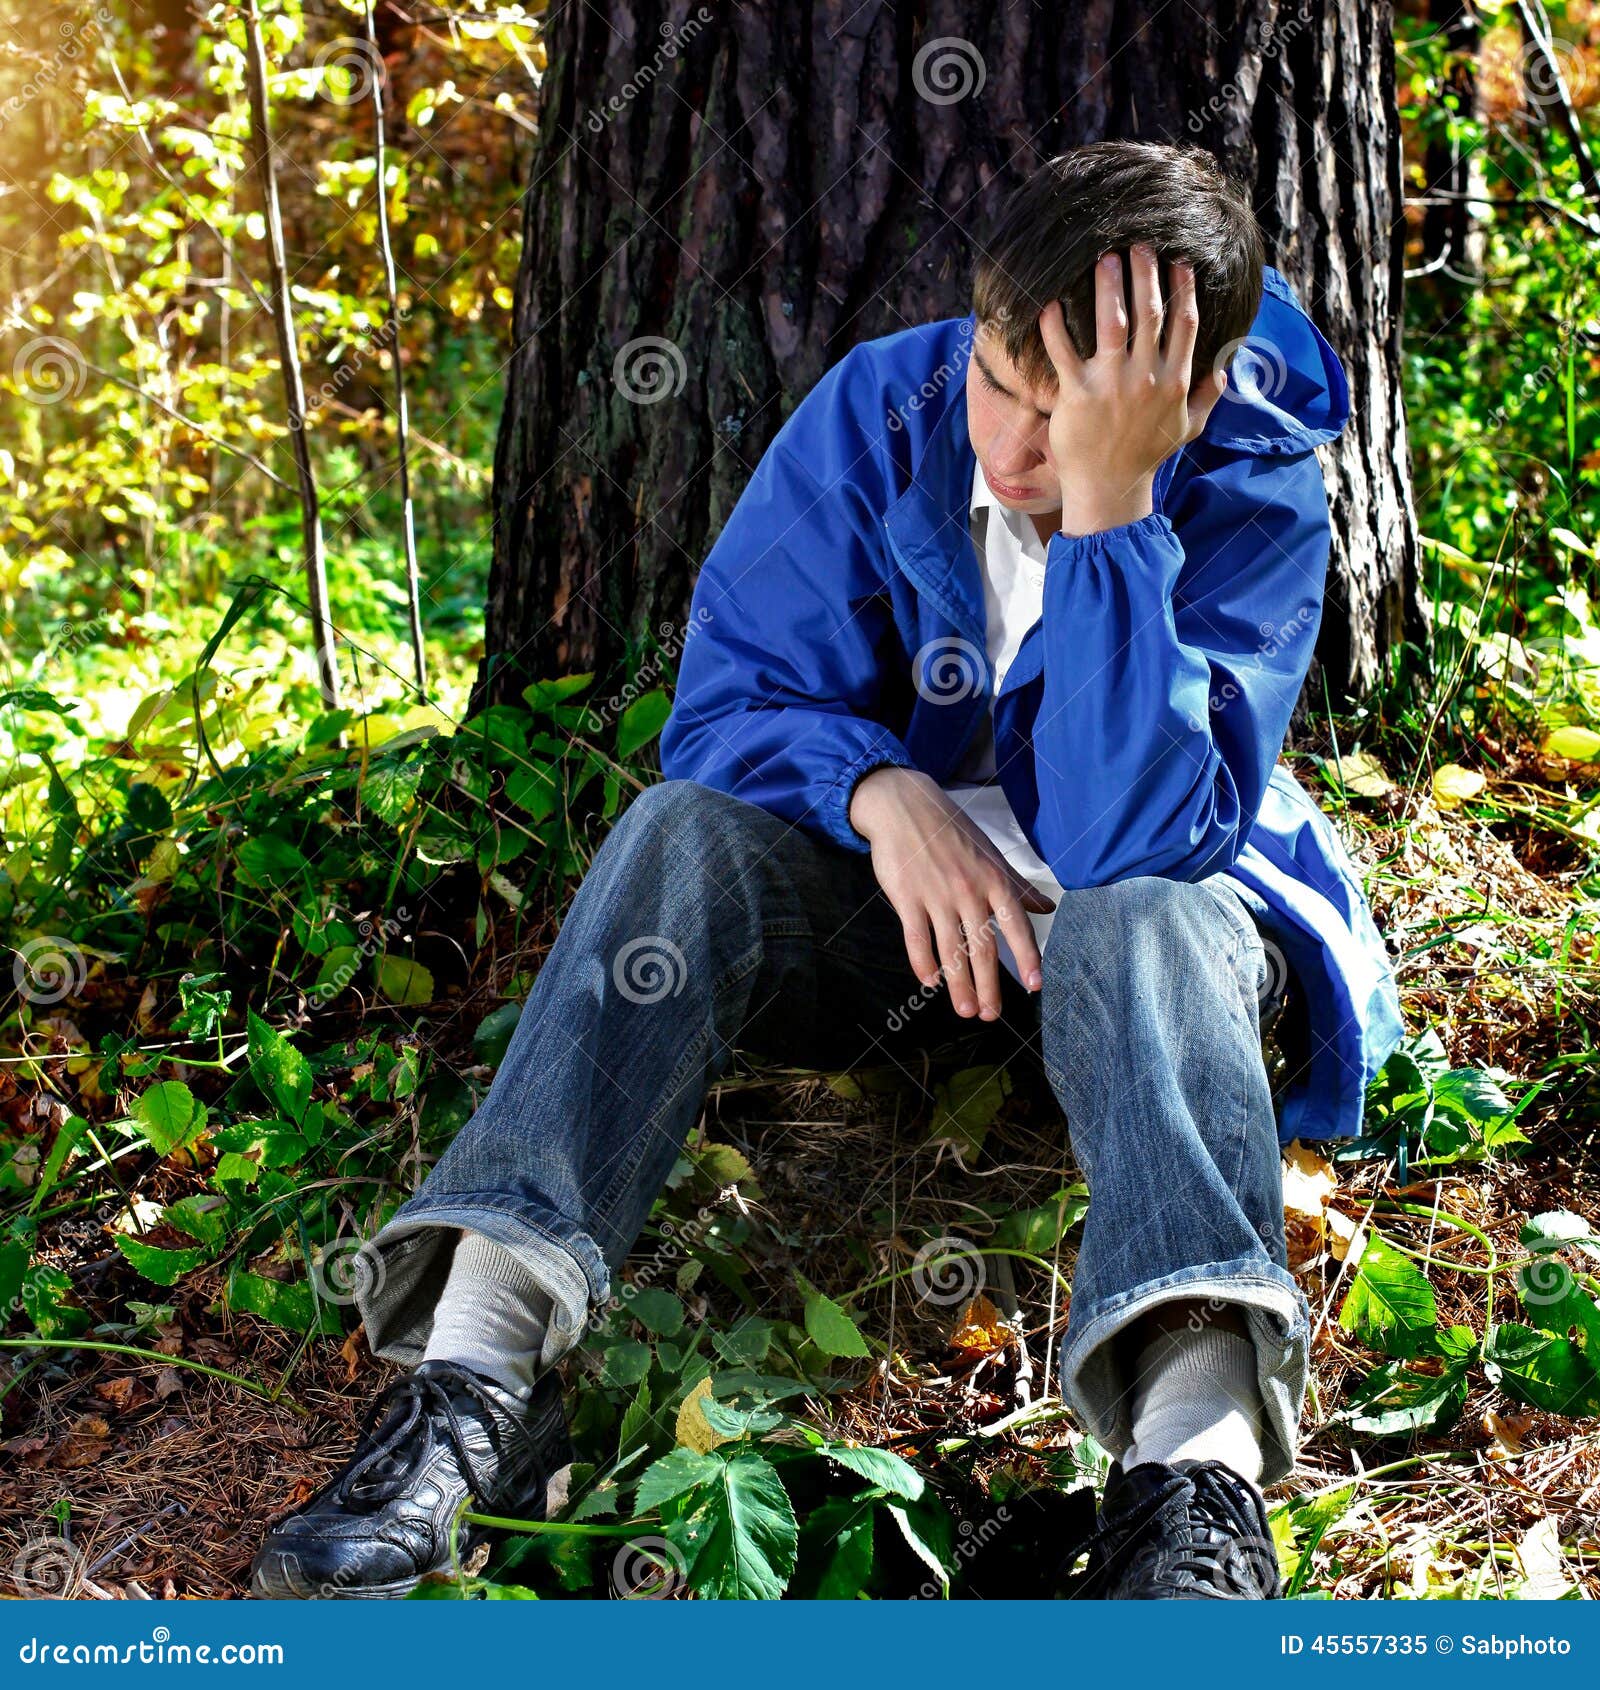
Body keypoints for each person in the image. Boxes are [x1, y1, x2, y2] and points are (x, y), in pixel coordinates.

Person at [252, 141, 1403, 1601]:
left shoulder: (1252, 486)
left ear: (1194, 392)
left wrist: (1114, 515)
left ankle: (1192, 1470)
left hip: (1143, 958)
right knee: (679, 833)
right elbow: (725, 703)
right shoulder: (884, 407)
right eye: (1002, 381)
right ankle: (474, 1383)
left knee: (1147, 916)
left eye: (1071, 419)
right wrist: (878, 788)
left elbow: (1134, 837)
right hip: (899, 945)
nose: (1015, 451)